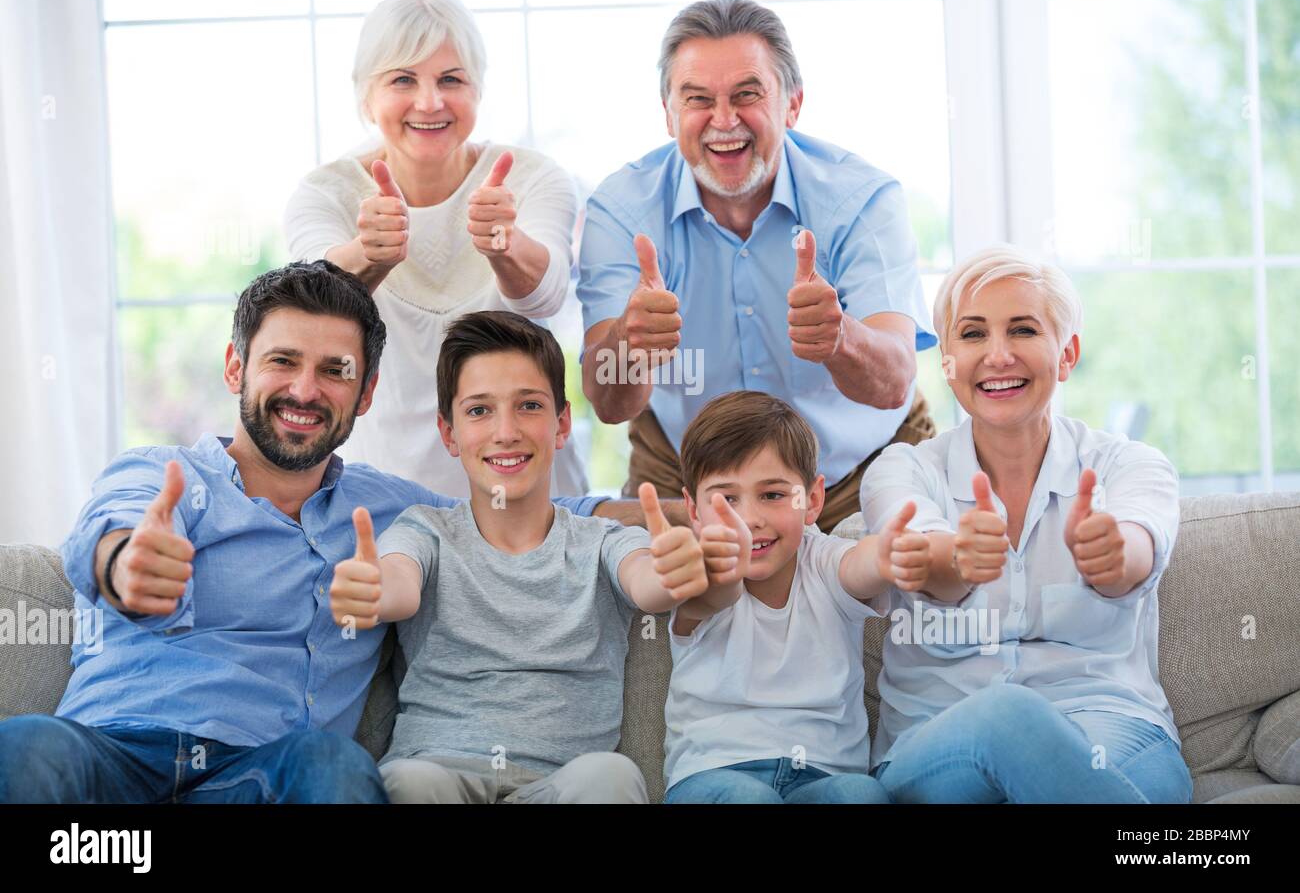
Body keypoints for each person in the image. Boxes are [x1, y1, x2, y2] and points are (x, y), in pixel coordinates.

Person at [0, 262, 616, 803]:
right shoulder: (161, 477)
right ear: (236, 367)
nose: (304, 390)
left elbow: (540, 510)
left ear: (366, 392)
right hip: (116, 759)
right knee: (27, 746)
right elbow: (108, 534)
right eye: (283, 361)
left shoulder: (396, 513)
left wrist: (698, 513)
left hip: (267, 777)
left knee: (335, 766)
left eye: (335, 371)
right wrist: (127, 564)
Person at [577, 0, 937, 531]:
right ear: (669, 112)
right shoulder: (621, 210)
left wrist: (842, 340)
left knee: (889, 604)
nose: (724, 120)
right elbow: (609, 403)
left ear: (792, 104)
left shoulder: (862, 199)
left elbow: (893, 384)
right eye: (698, 98)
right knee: (653, 608)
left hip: (856, 472)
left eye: (748, 95)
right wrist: (630, 346)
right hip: (687, 475)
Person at [330, 311, 710, 803]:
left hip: (562, 785)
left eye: (529, 406)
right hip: (439, 774)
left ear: (562, 423)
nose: (506, 432)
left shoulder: (602, 540)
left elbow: (647, 581)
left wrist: (671, 571)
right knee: (407, 781)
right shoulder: (425, 530)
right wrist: (373, 589)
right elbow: (399, 585)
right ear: (448, 433)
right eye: (479, 411)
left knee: (612, 775)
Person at [859, 247, 1192, 803]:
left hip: (1110, 727)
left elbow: (1134, 553)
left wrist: (1109, 557)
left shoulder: (1131, 465)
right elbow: (927, 560)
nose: (997, 355)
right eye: (971, 335)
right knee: (1007, 716)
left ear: (1066, 354)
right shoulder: (902, 470)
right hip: (944, 741)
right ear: (946, 361)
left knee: (1134, 782)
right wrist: (958, 561)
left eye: (1022, 330)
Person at [285, 0, 587, 500]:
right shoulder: (326, 194)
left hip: (533, 497)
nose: (430, 102)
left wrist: (505, 247)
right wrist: (367, 255)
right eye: (403, 79)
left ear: (477, 90)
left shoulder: (532, 178)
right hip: (382, 501)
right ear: (366, 96)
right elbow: (310, 312)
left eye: (452, 79)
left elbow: (546, 297)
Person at [661, 390, 930, 804]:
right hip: (715, 775)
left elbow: (859, 567)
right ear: (694, 511)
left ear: (813, 499)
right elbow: (714, 592)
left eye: (772, 495)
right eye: (725, 500)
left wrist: (887, 552)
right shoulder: (697, 572)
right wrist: (722, 570)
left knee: (862, 794)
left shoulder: (824, 561)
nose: (750, 519)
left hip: (824, 776)